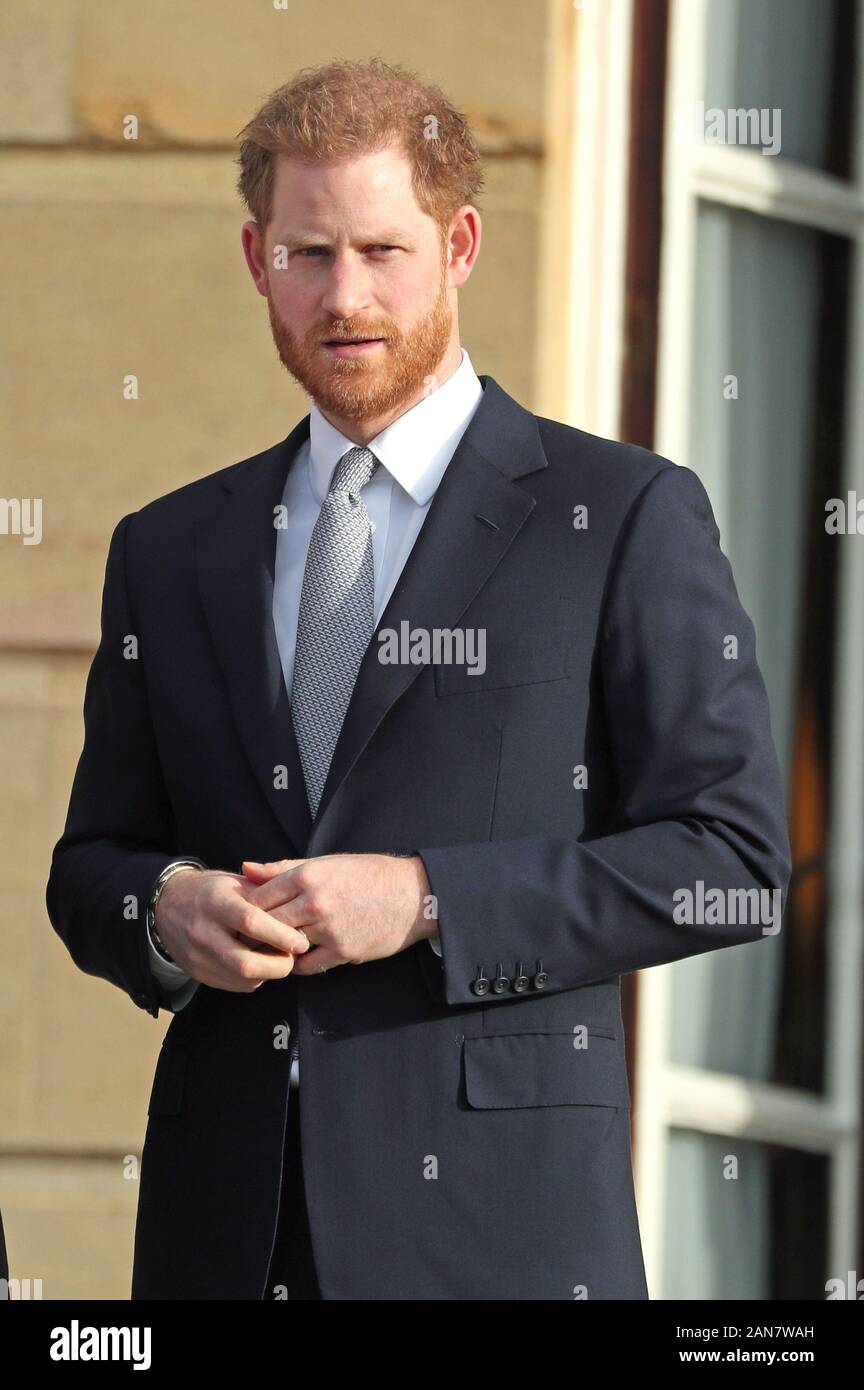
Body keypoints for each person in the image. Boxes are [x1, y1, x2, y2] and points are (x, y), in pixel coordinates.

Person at [46, 58, 791, 1300]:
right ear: (254, 259)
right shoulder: (168, 548)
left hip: (497, 1248)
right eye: (309, 254)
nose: (346, 297)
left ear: (459, 243)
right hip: (220, 1243)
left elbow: (732, 860)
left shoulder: (620, 517)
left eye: (383, 250)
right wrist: (165, 906)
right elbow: (92, 866)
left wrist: (426, 896)